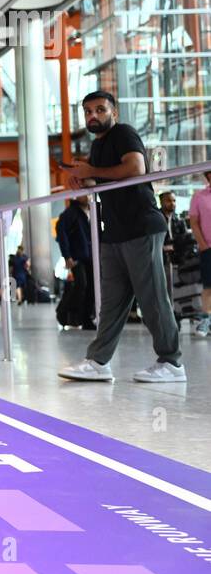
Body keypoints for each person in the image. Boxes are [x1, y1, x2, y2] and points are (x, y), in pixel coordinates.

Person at [58, 91, 184, 382]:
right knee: (112, 303)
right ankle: (99, 361)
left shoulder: (124, 133)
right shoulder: (97, 147)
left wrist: (92, 171)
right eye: (88, 111)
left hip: (140, 226)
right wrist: (83, 178)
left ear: (113, 113)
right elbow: (100, 179)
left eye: (100, 110)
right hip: (113, 231)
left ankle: (172, 363)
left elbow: (136, 167)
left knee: (151, 296)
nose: (93, 116)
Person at [54, 194, 96, 330]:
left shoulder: (94, 211)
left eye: (90, 193)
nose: (88, 196)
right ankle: (63, 311)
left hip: (92, 256)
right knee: (81, 284)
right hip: (77, 256)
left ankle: (86, 318)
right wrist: (67, 256)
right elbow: (61, 233)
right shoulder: (70, 213)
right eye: (86, 193)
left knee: (92, 287)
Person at [189, 170, 211, 338]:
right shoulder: (199, 196)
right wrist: (203, 244)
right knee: (208, 286)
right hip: (208, 247)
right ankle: (207, 319)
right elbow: (194, 222)